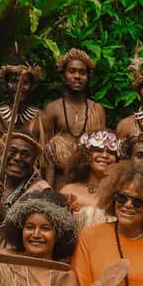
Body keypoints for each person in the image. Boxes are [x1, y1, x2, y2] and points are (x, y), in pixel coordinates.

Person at [43, 48, 107, 188]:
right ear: (63, 76)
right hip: (60, 180)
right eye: (72, 71)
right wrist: (49, 188)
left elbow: (103, 152)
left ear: (89, 76)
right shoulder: (53, 109)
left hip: (89, 183)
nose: (77, 76)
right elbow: (48, 156)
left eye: (82, 72)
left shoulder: (97, 110)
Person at [0, 128, 51, 227]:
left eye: (25, 155)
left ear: (35, 160)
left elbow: (37, 230)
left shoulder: (41, 190)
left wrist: (6, 215)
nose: (17, 158)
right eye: (12, 151)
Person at [59, 129, 118, 231]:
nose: (104, 155)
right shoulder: (68, 191)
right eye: (98, 150)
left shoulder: (121, 195)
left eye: (111, 152)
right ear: (86, 156)